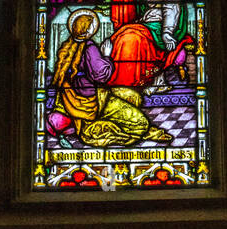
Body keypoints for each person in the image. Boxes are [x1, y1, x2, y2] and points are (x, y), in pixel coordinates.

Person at [47, 10, 171, 147]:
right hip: (93, 102)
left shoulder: (68, 46)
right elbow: (101, 75)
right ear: (88, 30)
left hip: (83, 97)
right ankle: (142, 131)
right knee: (140, 123)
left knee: (133, 96)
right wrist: (107, 55)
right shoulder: (89, 47)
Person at [83, 0, 192, 90]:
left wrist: (167, 32)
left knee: (131, 38)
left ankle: (127, 82)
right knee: (122, 36)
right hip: (144, 25)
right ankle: (117, 80)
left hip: (160, 27)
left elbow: (172, 7)